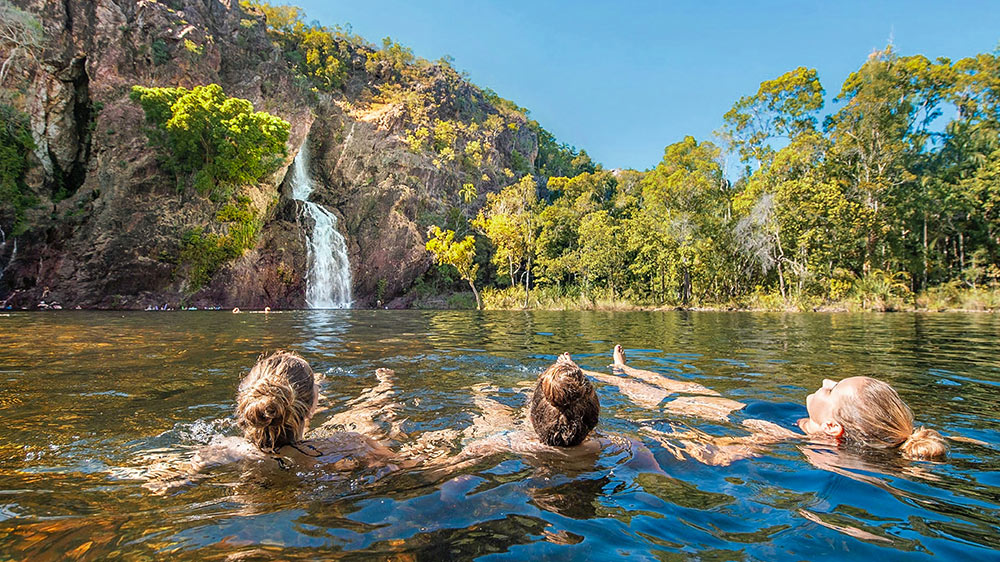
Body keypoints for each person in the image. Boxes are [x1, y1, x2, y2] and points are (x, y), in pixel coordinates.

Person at [609, 345, 949, 465]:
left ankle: (616, 374)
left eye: (833, 391)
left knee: (641, 391)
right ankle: (627, 368)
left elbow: (726, 453)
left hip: (719, 413)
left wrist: (663, 441)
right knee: (677, 383)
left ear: (833, 426)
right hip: (738, 403)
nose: (827, 383)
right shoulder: (891, 432)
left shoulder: (791, 438)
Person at [142, 351, 402, 493]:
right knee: (363, 419)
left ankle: (382, 390)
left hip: (246, 519)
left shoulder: (222, 448)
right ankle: (385, 392)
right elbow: (405, 466)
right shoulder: (349, 444)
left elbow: (166, 481)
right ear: (312, 406)